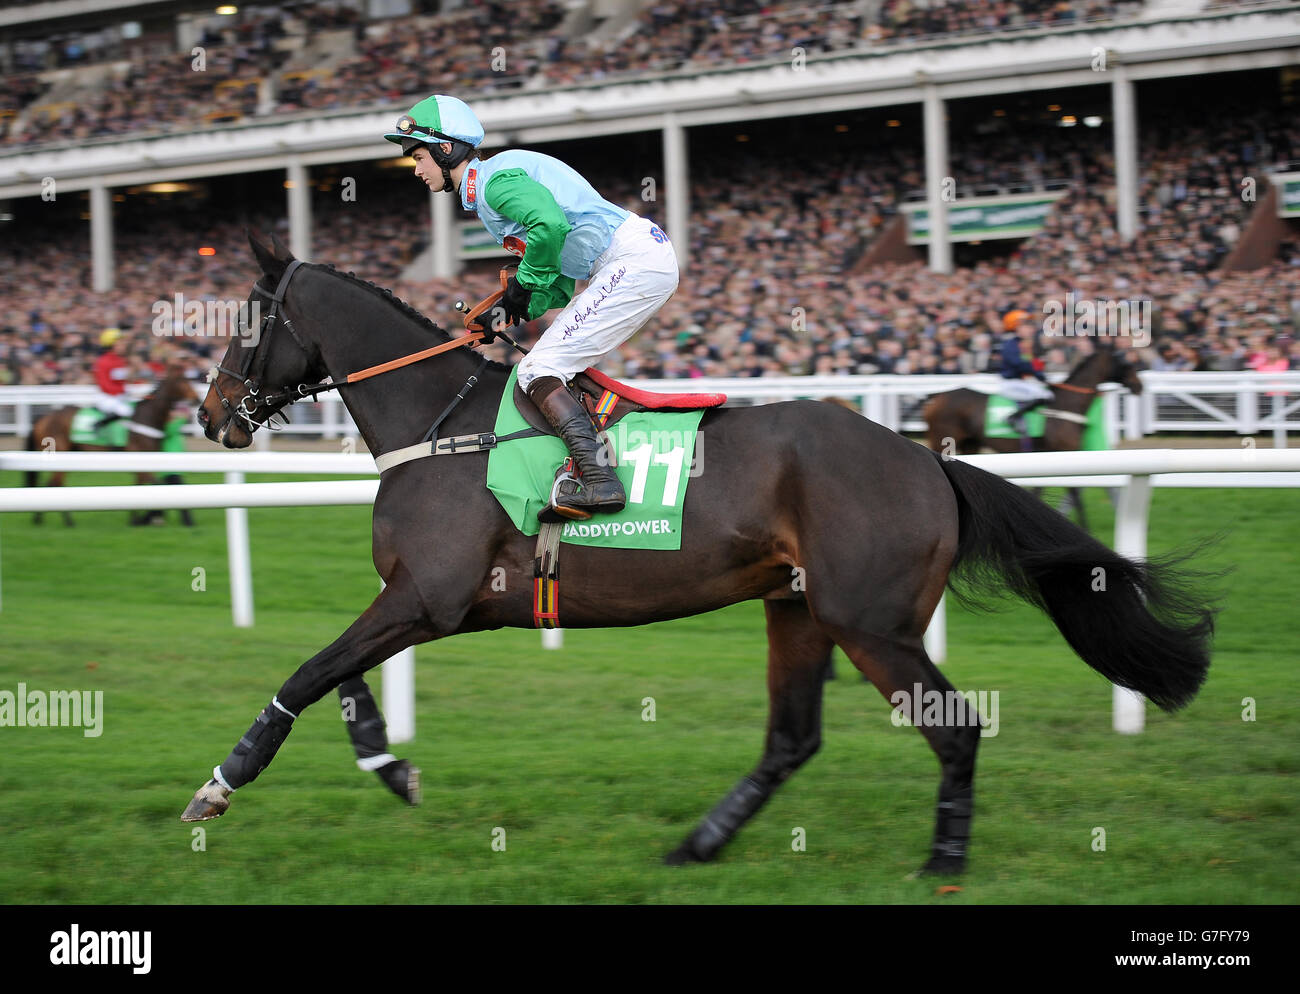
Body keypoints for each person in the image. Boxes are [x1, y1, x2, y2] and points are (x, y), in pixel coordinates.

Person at [384, 94, 679, 521]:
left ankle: (599, 480)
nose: (416, 169)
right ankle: (583, 465)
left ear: (446, 149)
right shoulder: (489, 191)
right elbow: (555, 285)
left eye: (419, 157)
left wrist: (522, 286)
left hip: (631, 261)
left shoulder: (494, 183)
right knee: (549, 363)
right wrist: (507, 310)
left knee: (539, 369)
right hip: (631, 260)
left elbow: (551, 227)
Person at [997, 310, 1053, 436]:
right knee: (1046, 395)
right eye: (1026, 326)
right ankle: (1013, 417)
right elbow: (1018, 363)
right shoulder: (1010, 344)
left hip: (1022, 383)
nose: (1031, 329)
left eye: (1030, 326)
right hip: (1011, 384)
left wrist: (1039, 371)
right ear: (1016, 327)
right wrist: (1037, 372)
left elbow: (1032, 363)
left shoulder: (1025, 345)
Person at [91, 328, 133, 430]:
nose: (124, 344)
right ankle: (97, 426)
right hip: (107, 398)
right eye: (120, 342)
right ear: (112, 345)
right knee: (127, 411)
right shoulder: (103, 361)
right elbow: (105, 386)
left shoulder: (120, 360)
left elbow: (121, 381)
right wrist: (123, 391)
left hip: (119, 397)